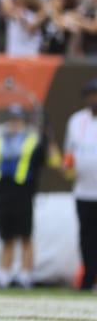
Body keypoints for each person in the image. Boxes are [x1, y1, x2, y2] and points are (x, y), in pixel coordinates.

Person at [0, 104, 59, 289]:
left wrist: (49, 137)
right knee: (6, 236)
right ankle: (5, 276)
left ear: (23, 122)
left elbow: (53, 162)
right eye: (11, 119)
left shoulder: (33, 141)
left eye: (17, 119)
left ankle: (25, 275)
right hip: (3, 194)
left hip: (24, 194)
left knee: (25, 235)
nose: (14, 123)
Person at [64, 79, 97, 290]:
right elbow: (70, 152)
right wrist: (67, 166)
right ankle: (88, 278)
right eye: (90, 95)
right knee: (86, 237)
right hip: (83, 191)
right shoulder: (76, 120)